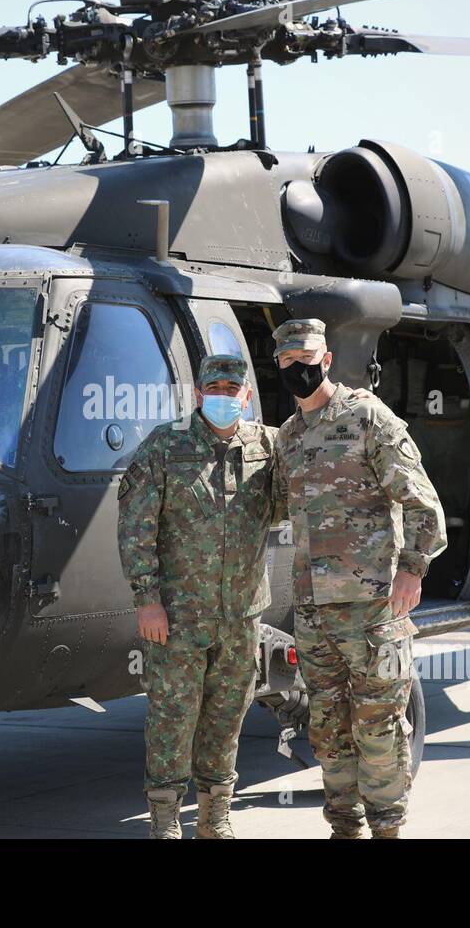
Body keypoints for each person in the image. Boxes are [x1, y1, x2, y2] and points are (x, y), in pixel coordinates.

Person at [271, 318, 446, 838]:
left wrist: (412, 570)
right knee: (326, 728)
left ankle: (388, 829)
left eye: (307, 361)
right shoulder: (289, 437)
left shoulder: (367, 417)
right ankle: (344, 829)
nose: (298, 371)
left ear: (325, 360)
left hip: (373, 609)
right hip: (314, 613)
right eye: (288, 363)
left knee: (379, 727)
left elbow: (422, 503)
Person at [117, 354, 283, 838]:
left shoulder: (266, 447)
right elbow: (135, 528)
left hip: (240, 616)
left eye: (234, 390)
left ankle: (215, 817)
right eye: (216, 389)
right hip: (177, 616)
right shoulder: (164, 447)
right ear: (197, 395)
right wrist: (146, 598)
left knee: (227, 716)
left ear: (247, 397)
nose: (224, 397)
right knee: (172, 716)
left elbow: (292, 501)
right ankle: (165, 819)